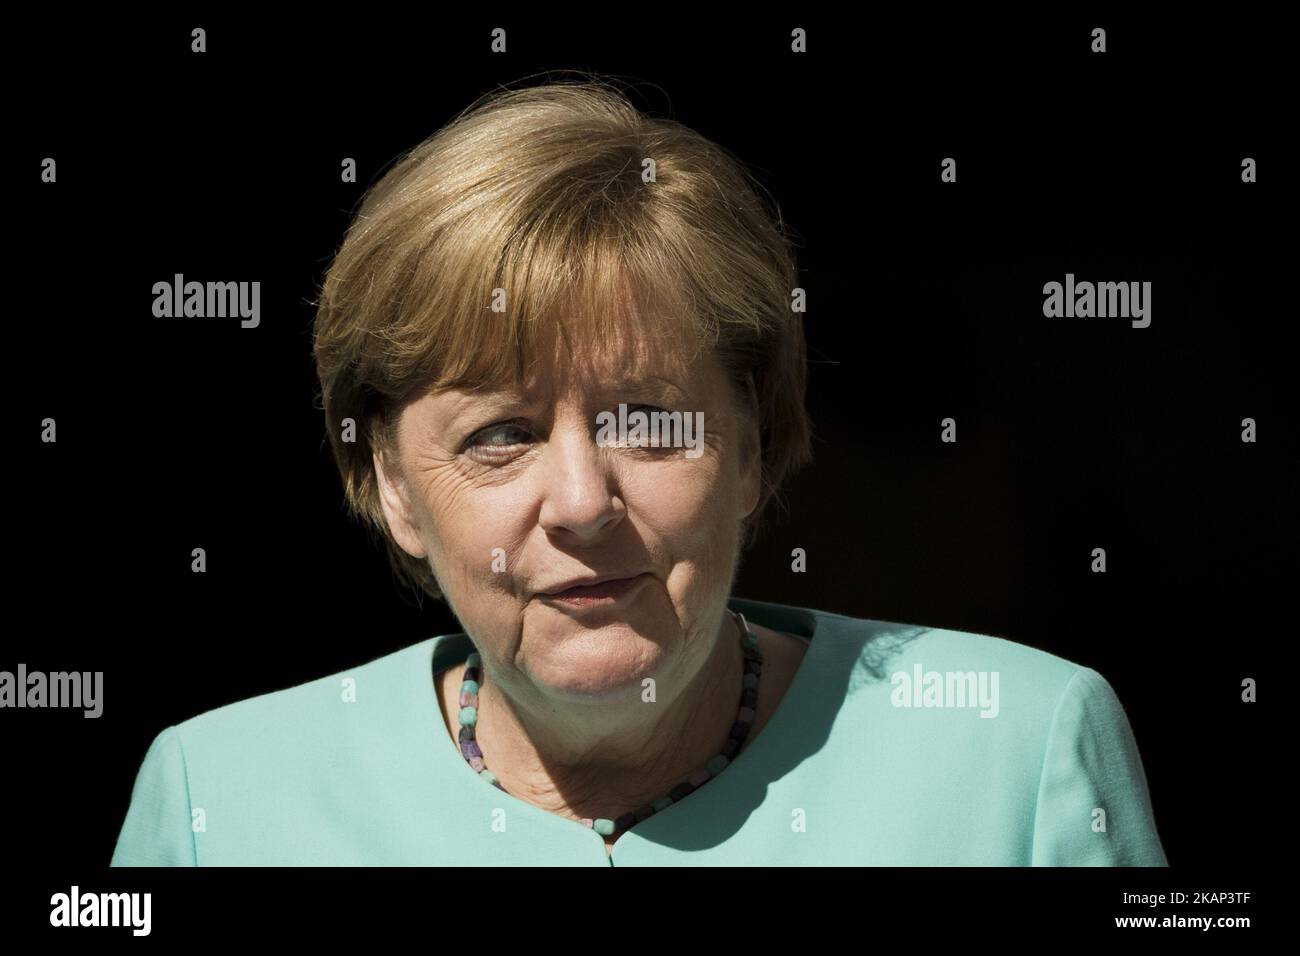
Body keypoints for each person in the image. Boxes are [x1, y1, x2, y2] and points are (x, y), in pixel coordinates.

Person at [110, 78, 1167, 866]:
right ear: (393, 484)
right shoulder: (217, 800)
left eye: (648, 420)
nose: (579, 502)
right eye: (500, 433)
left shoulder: (1016, 752)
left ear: (752, 444)